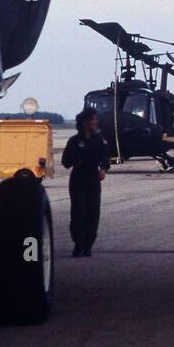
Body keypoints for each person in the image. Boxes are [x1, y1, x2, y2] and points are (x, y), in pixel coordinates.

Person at [61, 107, 111, 257]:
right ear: (84, 122)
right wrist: (74, 161)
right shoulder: (74, 141)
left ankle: (88, 245)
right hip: (78, 179)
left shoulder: (100, 140)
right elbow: (65, 161)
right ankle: (78, 244)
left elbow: (105, 157)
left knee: (93, 213)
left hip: (93, 179)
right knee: (78, 212)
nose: (94, 122)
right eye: (92, 119)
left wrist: (103, 169)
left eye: (95, 119)